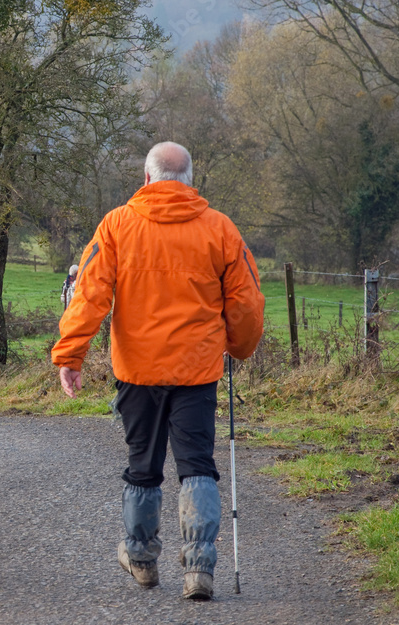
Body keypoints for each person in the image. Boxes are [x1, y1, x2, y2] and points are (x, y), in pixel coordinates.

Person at [52, 141, 264, 601]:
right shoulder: (220, 229)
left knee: (142, 466)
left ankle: (142, 558)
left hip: (137, 371)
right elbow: (246, 301)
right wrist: (239, 347)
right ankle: (199, 569)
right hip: (197, 371)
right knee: (197, 466)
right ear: (190, 179)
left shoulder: (117, 226)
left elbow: (90, 294)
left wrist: (71, 355)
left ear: (147, 179)